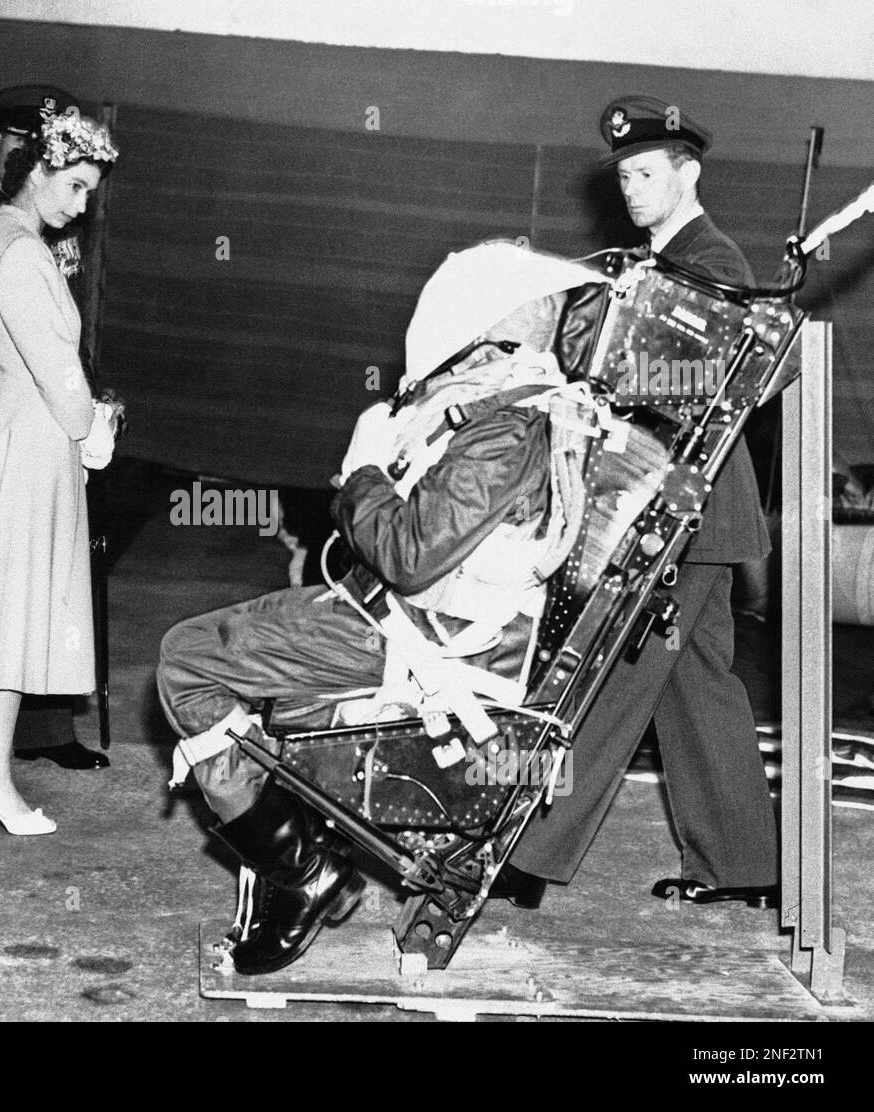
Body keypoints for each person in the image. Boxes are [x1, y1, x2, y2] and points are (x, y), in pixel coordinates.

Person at [157, 243, 604, 974]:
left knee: (186, 660)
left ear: (492, 337)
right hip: (409, 621)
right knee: (258, 667)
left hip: (429, 644)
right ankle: (306, 853)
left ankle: (304, 873)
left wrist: (365, 472)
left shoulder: (508, 429)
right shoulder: (516, 411)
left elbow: (408, 555)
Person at [498, 95, 779, 910]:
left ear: (687, 174)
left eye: (647, 173)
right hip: (693, 512)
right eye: (624, 174)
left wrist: (599, 392)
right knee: (699, 687)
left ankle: (527, 855)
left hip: (682, 512)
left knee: (608, 678)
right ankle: (746, 866)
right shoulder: (662, 255)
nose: (631, 187)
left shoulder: (710, 259)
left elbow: (700, 388)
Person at [0, 111, 120, 835]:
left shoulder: (1, 239)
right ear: (35, 170)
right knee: (12, 614)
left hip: (8, 430)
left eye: (90, 191)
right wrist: (92, 427)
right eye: (73, 186)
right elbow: (55, 367)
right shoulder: (21, 252)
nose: (81, 205)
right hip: (32, 436)